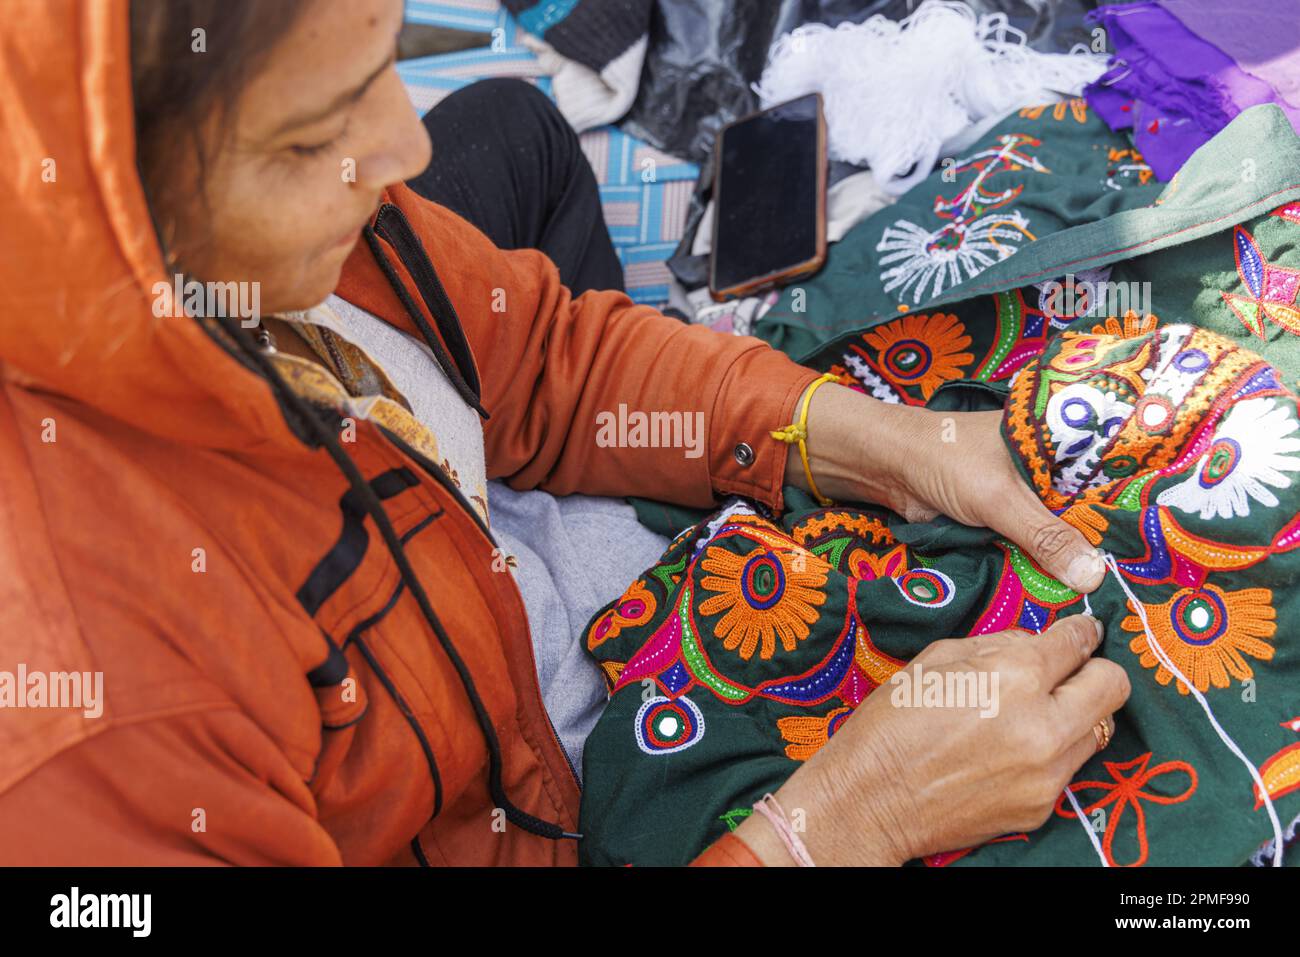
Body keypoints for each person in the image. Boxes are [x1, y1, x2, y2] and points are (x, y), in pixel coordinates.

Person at [0, 0, 1128, 865]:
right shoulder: (98, 742)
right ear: (106, 211)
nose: (395, 149)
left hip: (487, 618)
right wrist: (829, 828)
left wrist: (852, 433)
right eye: (311, 135)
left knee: (508, 126)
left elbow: (536, 357)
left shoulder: (256, 222)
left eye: (384, 58)